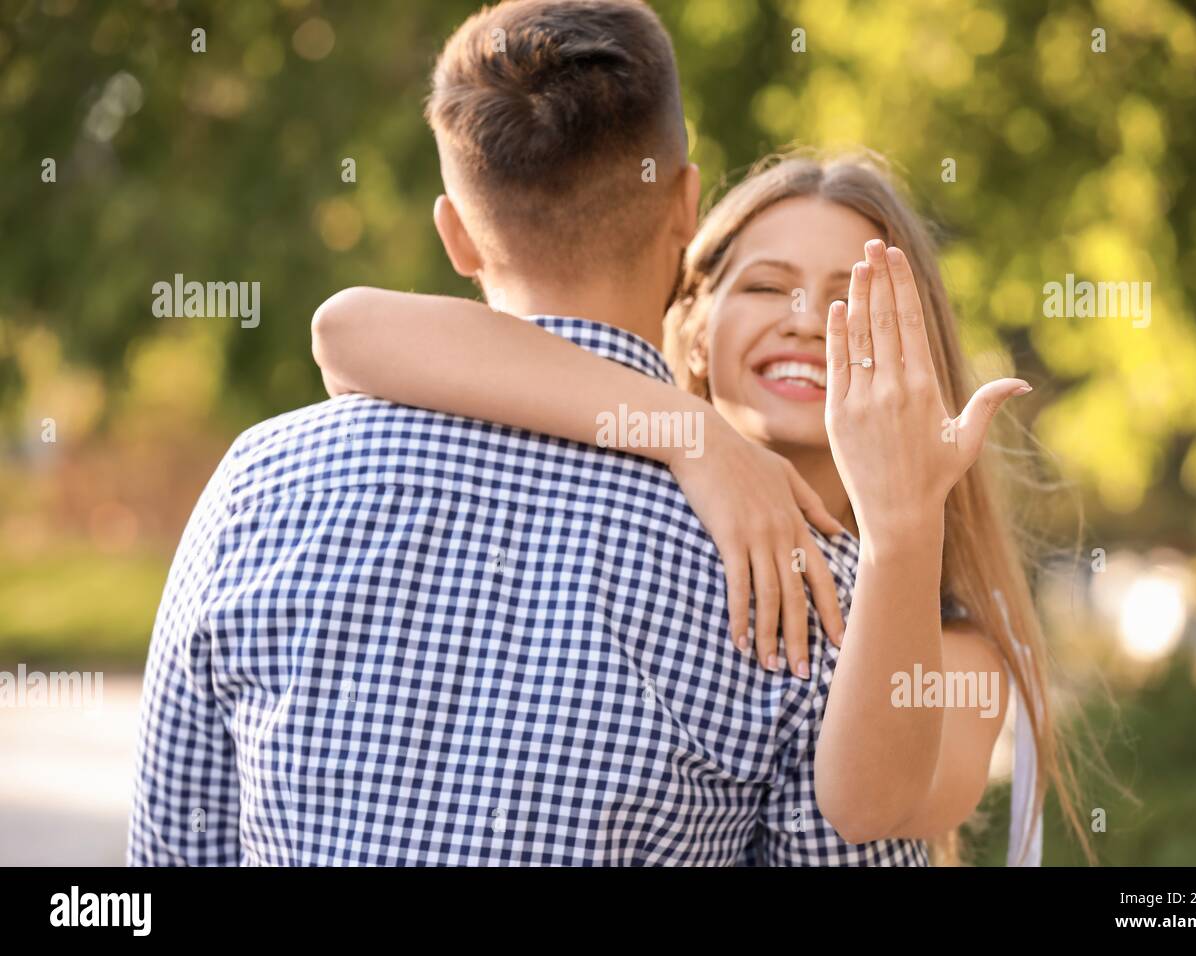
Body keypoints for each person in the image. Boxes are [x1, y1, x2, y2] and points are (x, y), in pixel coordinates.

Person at [130, 0, 946, 866]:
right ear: (686, 208)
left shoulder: (260, 485)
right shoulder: (804, 582)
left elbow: (174, 849)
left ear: (455, 235)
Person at [311, 143, 1099, 866]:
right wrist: (693, 434)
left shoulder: (959, 641)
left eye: (849, 302)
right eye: (765, 286)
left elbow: (870, 806)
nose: (804, 323)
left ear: (912, 354)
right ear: (693, 326)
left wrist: (901, 530)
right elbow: (348, 329)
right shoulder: (634, 481)